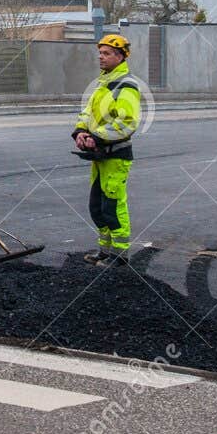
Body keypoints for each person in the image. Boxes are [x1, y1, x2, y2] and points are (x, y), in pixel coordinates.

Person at [73, 32, 142, 266]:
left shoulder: (126, 86)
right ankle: (105, 251)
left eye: (107, 53)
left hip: (115, 156)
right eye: (100, 53)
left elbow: (127, 122)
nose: (101, 57)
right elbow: (88, 114)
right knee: (97, 207)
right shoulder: (103, 84)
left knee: (113, 206)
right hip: (100, 157)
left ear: (121, 56)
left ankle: (120, 256)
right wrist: (80, 132)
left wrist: (97, 138)